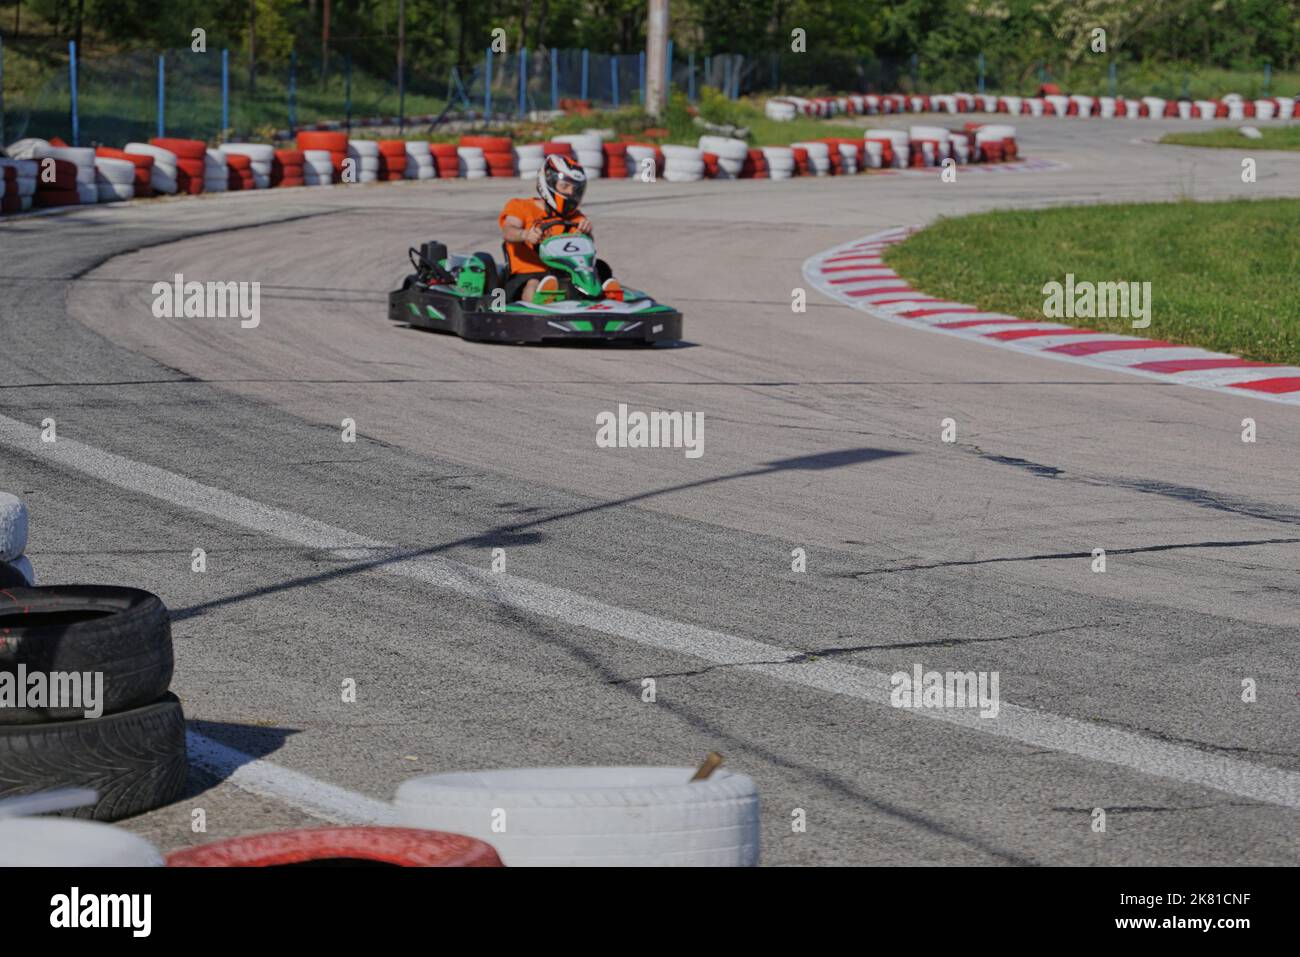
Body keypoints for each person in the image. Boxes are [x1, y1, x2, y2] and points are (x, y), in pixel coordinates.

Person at [498, 153, 623, 303]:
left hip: (566, 272)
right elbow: (508, 230)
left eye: (575, 189)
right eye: (565, 186)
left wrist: (587, 233)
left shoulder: (576, 217)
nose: (571, 193)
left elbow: (586, 251)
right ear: (548, 183)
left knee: (599, 269)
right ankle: (540, 302)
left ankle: (606, 293)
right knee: (534, 283)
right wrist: (525, 234)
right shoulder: (521, 206)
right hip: (530, 271)